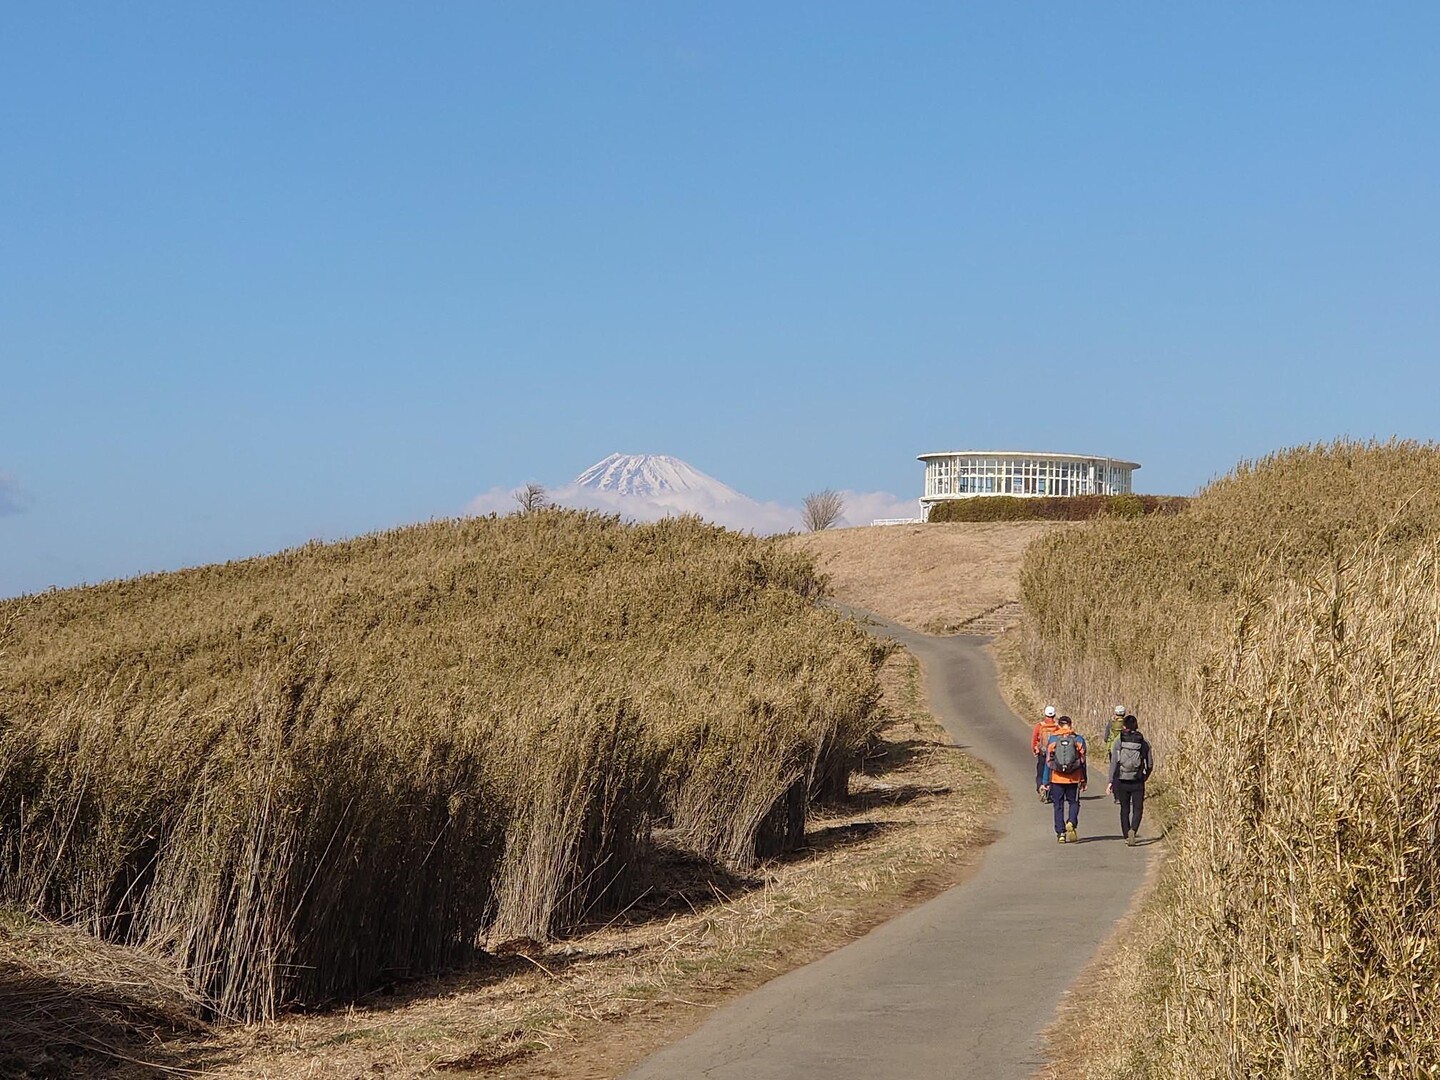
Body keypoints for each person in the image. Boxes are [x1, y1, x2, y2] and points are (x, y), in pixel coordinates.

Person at [1107, 713, 1153, 846]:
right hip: (1138, 779)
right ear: (1137, 725)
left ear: (1124, 726)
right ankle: (1134, 828)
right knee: (1138, 808)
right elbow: (1150, 764)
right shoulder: (1143, 742)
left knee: (1124, 808)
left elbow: (1114, 763)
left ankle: (1127, 834)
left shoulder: (1119, 741)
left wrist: (1110, 781)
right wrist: (1145, 776)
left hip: (1122, 779)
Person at [1045, 715, 1087, 843]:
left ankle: (1061, 833)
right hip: (1073, 778)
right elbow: (1083, 762)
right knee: (1074, 803)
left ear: (1059, 725)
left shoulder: (1053, 739)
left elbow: (1048, 762)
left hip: (1056, 779)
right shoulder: (1078, 740)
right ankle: (1071, 822)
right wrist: (1084, 779)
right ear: (1070, 724)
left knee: (1058, 806)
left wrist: (1045, 781)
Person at [1031, 705, 1060, 802]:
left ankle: (1041, 788)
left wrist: (1035, 750)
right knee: (1051, 773)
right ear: (1054, 715)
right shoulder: (1057, 727)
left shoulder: (1040, 726)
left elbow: (1035, 739)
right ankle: (1050, 793)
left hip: (1042, 753)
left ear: (1045, 715)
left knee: (1040, 773)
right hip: (1054, 754)